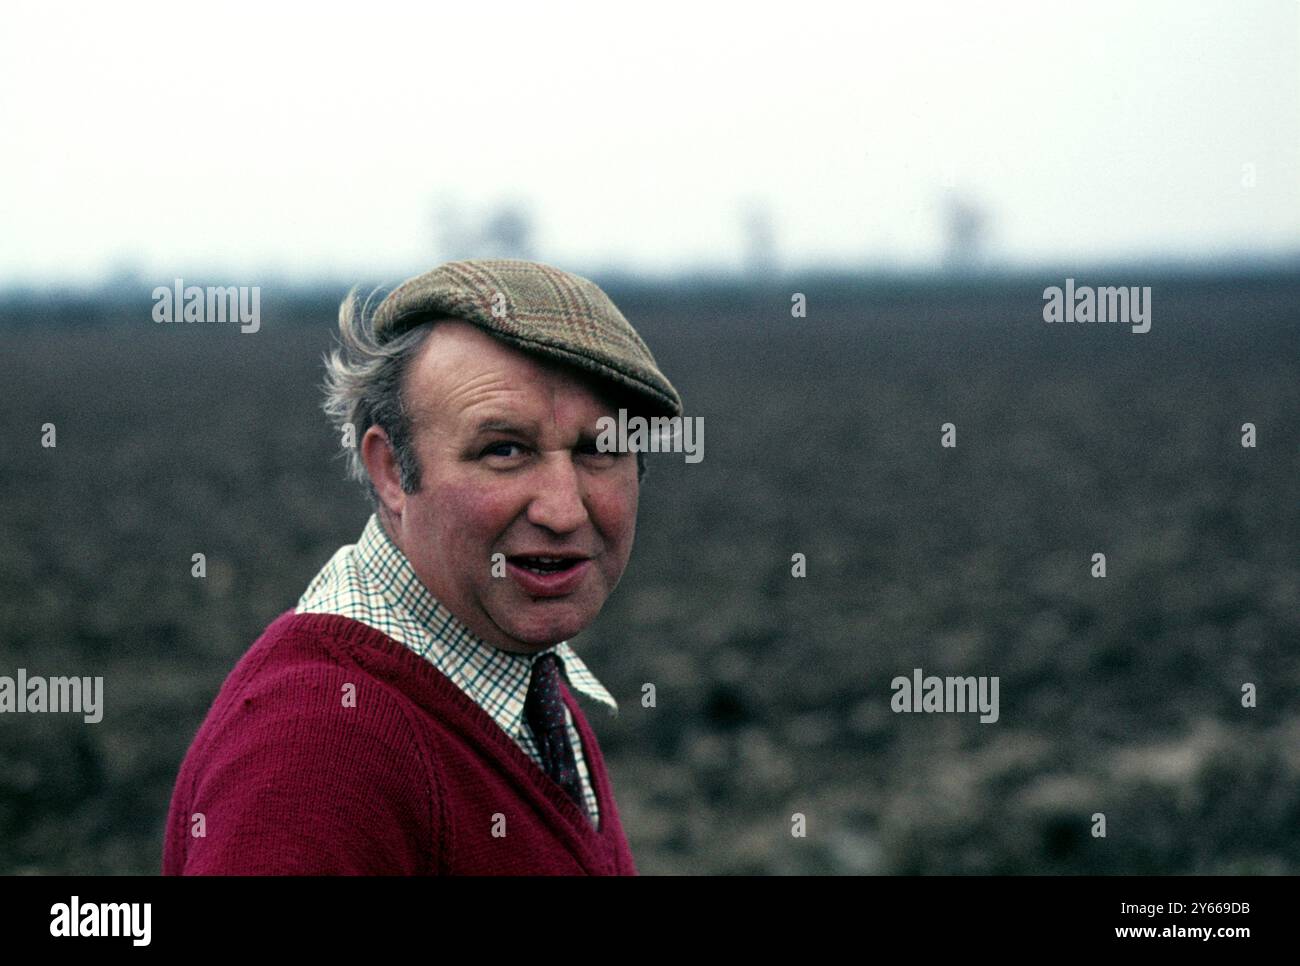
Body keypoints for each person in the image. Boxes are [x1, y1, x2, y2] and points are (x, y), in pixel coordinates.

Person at [162, 258, 682, 874]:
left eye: (600, 449)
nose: (564, 510)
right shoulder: (319, 746)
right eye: (504, 450)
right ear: (390, 471)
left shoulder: (521, 683)